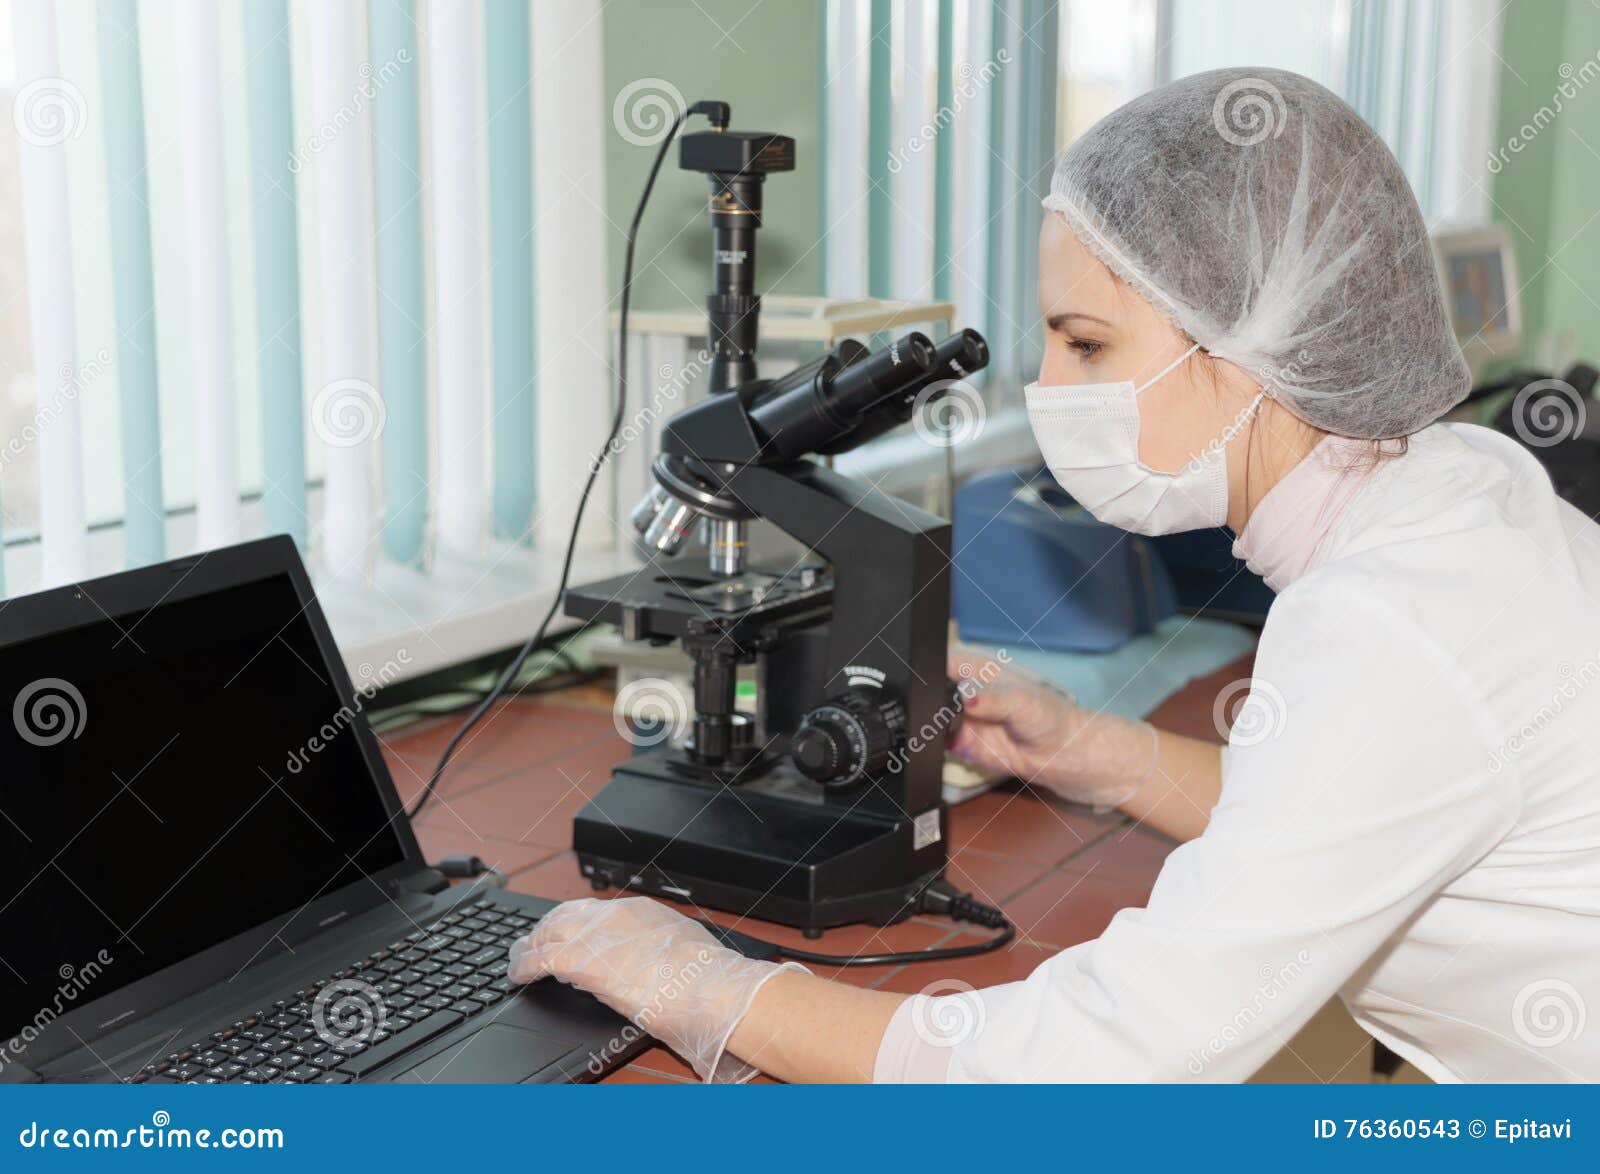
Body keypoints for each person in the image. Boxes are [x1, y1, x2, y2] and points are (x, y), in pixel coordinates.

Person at [507, 67, 1600, 1082]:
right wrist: (1098, 752)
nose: (1049, 385)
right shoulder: (1458, 484)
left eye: (1084, 344)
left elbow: (1098, 1062)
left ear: (1247, 345)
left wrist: (709, 989)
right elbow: (1338, 813)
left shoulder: (1388, 618)